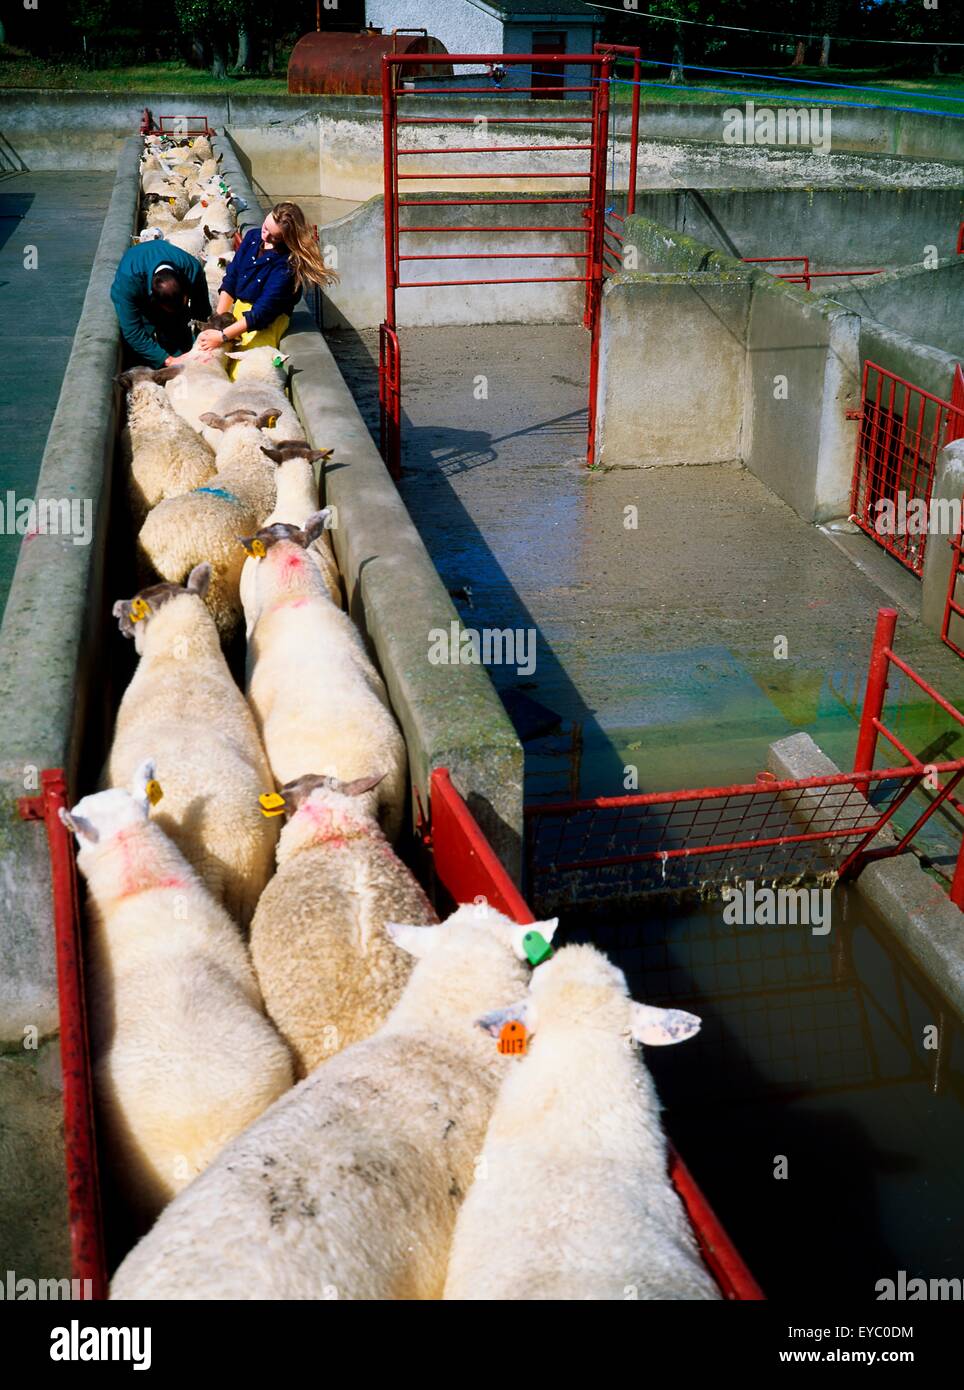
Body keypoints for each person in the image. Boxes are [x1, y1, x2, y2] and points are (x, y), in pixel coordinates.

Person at [195, 202, 336, 375]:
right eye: (265, 227)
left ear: (286, 239)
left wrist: (223, 336)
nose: (266, 236)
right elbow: (232, 277)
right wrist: (218, 321)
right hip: (240, 310)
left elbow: (262, 312)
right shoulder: (253, 237)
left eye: (274, 237)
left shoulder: (286, 266)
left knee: (245, 369)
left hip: (267, 322)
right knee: (213, 359)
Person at [110, 240, 210, 369]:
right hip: (138, 290)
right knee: (142, 350)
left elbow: (202, 312)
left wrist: (200, 346)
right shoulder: (128, 282)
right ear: (154, 300)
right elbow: (133, 331)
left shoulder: (192, 270)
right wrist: (168, 360)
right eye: (170, 309)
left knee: (181, 334)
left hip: (173, 294)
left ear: (186, 292)